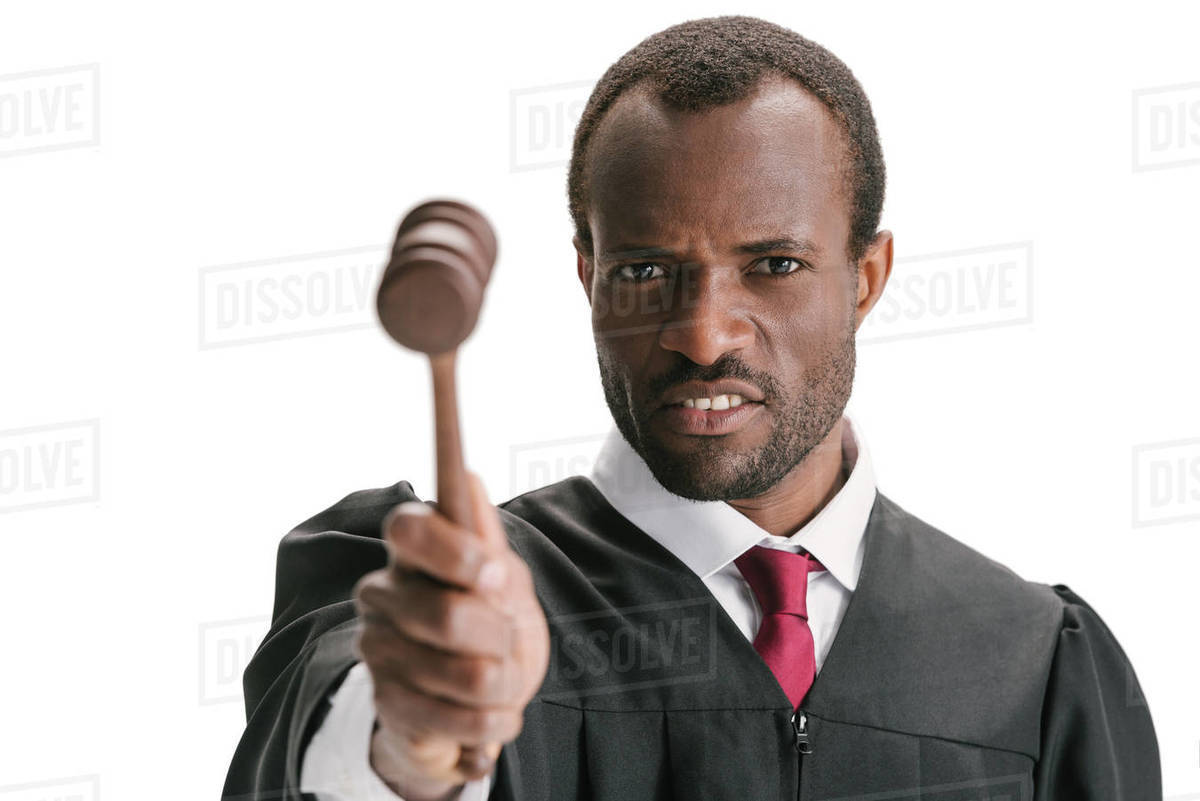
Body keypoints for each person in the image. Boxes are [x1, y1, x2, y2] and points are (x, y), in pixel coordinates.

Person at [223, 15, 1161, 801]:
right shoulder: (431, 595)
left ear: (866, 276)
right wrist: (413, 743)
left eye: (776, 265)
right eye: (645, 272)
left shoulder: (1033, 662)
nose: (704, 334)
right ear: (588, 278)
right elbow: (335, 743)